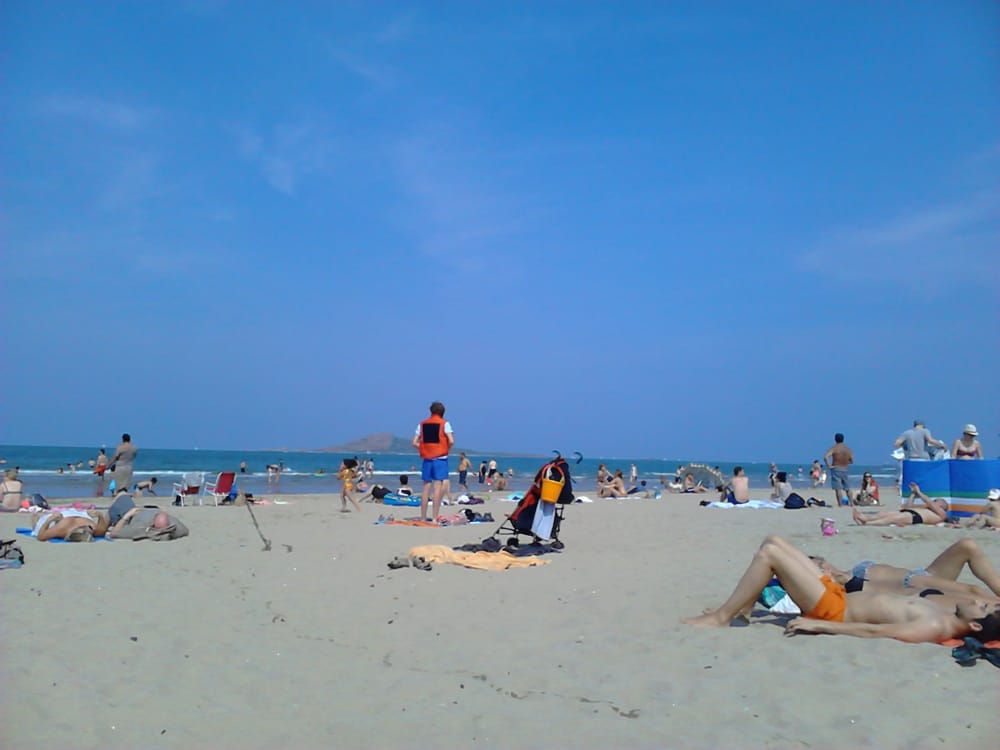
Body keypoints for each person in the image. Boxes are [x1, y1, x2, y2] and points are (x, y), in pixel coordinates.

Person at [683, 535, 1000, 643]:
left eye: (982, 608)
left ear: (974, 624)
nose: (979, 602)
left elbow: (876, 633)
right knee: (774, 540)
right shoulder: (943, 615)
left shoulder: (933, 626)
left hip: (831, 609)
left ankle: (723, 617)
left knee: (770, 554)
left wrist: (819, 625)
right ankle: (745, 607)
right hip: (837, 598)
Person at [814, 538, 1000, 600]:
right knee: (973, 592)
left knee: (967, 545)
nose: (824, 565)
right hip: (913, 585)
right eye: (819, 566)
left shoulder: (851, 571)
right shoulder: (847, 587)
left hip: (922, 573)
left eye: (821, 561)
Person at [412, 401, 454, 522]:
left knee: (425, 488)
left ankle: (423, 517)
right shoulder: (444, 424)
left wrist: (424, 448)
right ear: (443, 413)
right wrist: (445, 448)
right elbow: (451, 440)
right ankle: (435, 518)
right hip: (440, 459)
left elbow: (414, 442)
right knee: (437, 488)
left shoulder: (422, 424)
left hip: (427, 458)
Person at [852, 482, 949, 526]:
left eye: (938, 501)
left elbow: (929, 502)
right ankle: (864, 517)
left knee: (890, 519)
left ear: (943, 506)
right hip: (910, 513)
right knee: (885, 514)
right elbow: (908, 507)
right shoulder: (928, 509)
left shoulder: (942, 514)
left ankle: (867, 523)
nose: (936, 501)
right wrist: (913, 494)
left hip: (916, 517)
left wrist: (919, 492)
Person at [108, 507, 189, 540]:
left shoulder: (140, 528)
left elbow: (114, 533)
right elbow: (185, 531)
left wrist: (127, 516)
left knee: (112, 513)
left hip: (133, 515)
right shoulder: (175, 526)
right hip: (152, 511)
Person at [31, 509, 109, 542]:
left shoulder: (62, 528)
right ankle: (37, 519)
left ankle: (36, 521)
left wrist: (49, 520)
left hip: (62, 517)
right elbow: (102, 531)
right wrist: (100, 516)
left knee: (37, 529)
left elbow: (40, 537)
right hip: (77, 514)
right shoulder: (91, 527)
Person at [823, 433, 853, 506]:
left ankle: (840, 504)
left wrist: (829, 465)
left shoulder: (834, 448)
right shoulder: (848, 449)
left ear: (835, 439)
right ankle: (851, 503)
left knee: (838, 488)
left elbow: (825, 457)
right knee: (847, 488)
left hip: (836, 468)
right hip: (845, 468)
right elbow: (851, 460)